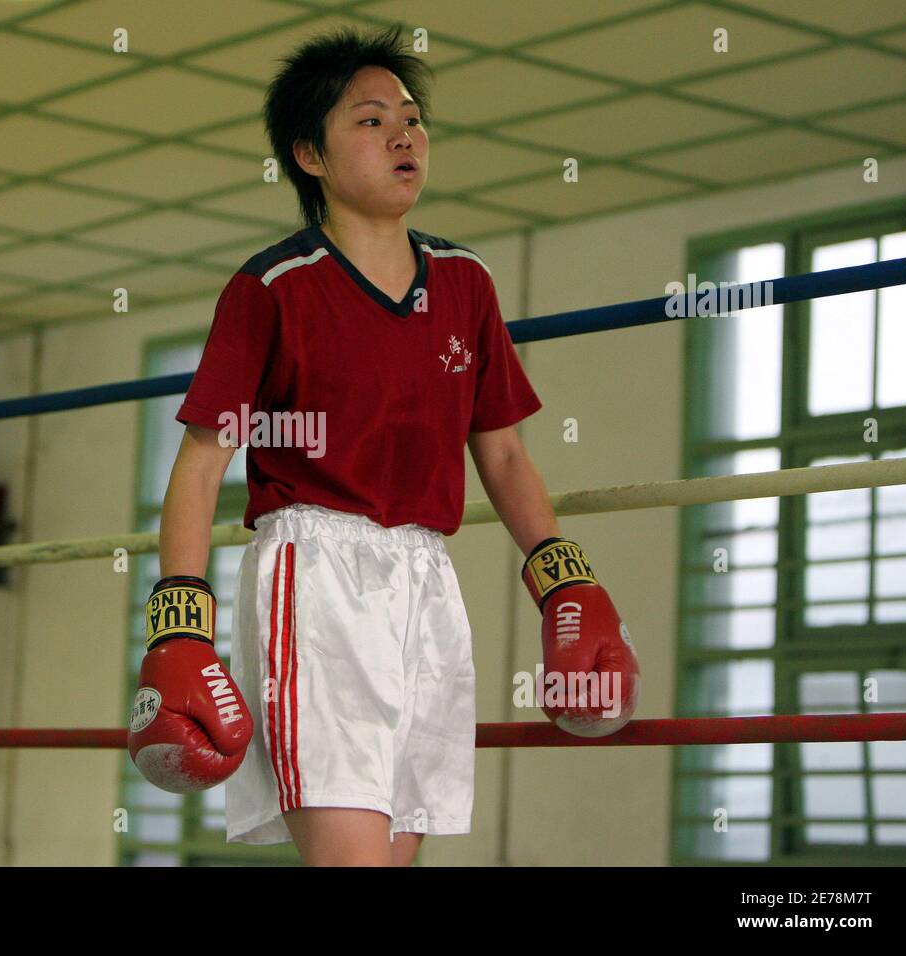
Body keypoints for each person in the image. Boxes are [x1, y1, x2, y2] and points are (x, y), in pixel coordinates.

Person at [128, 25, 637, 867]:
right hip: (316, 573)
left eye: (411, 117)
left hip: (428, 577)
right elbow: (199, 464)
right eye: (369, 121)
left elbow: (503, 455)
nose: (404, 134)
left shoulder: (465, 281)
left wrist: (566, 581)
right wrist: (180, 627)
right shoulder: (273, 288)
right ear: (310, 156)